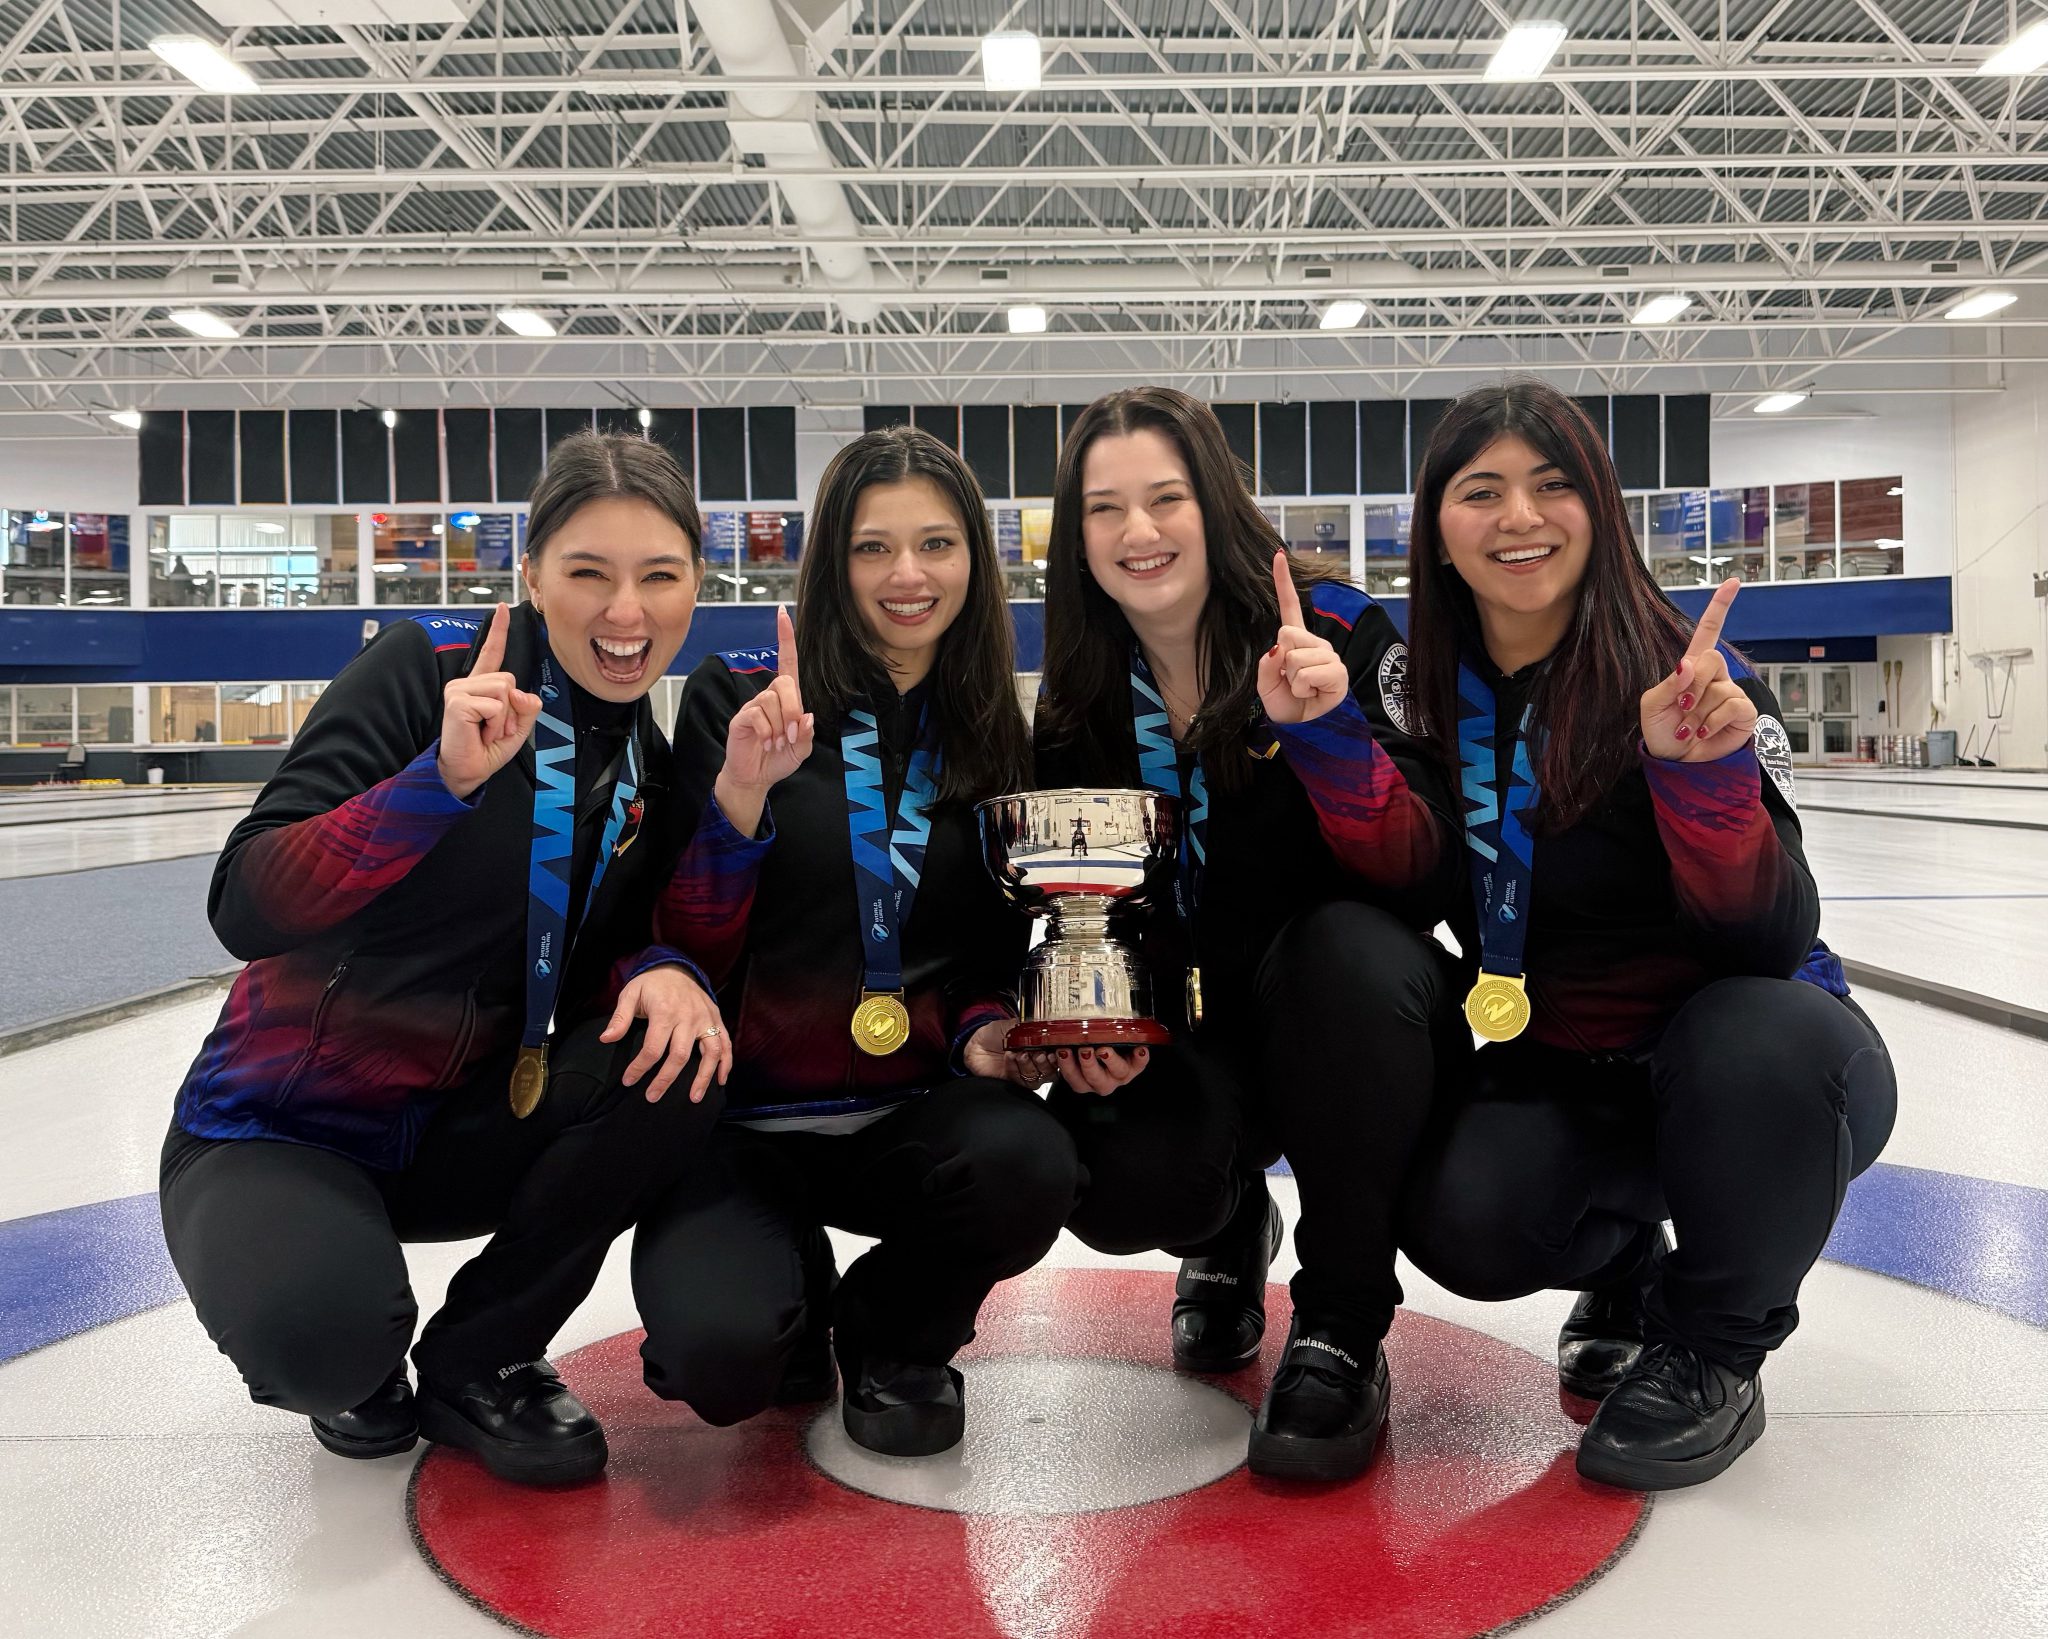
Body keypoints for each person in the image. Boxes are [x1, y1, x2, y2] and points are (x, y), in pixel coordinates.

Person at [159, 431, 730, 1488]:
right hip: (280, 1128)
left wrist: (665, 966)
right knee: (325, 1349)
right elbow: (246, 900)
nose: (625, 612)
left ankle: (482, 1358)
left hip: (468, 1117)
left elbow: (604, 952)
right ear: (530, 576)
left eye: (659, 575)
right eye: (587, 574)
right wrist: (439, 782)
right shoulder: (420, 676)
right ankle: (351, 1343)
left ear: (699, 581)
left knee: (676, 1064)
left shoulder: (647, 764)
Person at [1393, 380, 1897, 1491]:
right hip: (1570, 1070)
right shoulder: (1419, 690)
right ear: (1435, 524)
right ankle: (1627, 1264)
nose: (1518, 517)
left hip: (1764, 1070)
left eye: (1551, 485)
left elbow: (1767, 935)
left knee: (1754, 1032)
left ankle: (1712, 1349)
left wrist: (1702, 781)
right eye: (1481, 491)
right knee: (1460, 1218)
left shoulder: (1689, 680)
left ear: (1602, 510)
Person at [1033, 386, 1464, 1481]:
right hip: (1201, 1036)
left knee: (1345, 953)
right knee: (1119, 1177)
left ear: (1216, 503)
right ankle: (1223, 1229)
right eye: (1104, 508)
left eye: (1165, 497)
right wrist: (1092, 1020)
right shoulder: (1079, 697)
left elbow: (1424, 873)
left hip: (1352, 1020)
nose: (1137, 532)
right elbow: (1086, 906)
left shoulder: (1336, 630)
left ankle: (1340, 1321)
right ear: (1074, 538)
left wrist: (1326, 737)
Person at [632, 426, 1079, 1458]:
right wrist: (741, 791)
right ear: (830, 560)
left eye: (935, 544)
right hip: (739, 1127)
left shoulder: (989, 732)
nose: (906, 575)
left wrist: (981, 1031)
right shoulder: (739, 699)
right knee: (724, 1363)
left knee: (1030, 1158)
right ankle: (778, 1284)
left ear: (976, 556)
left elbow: (979, 953)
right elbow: (683, 937)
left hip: (906, 1119)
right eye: (872, 547)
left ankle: (894, 1338)